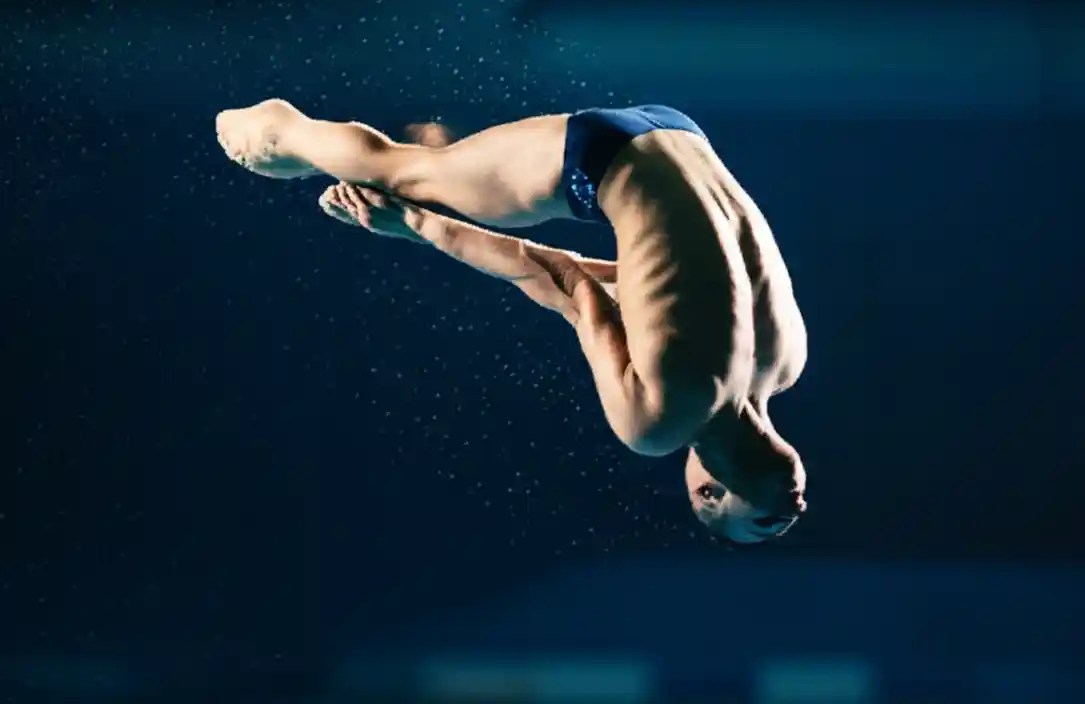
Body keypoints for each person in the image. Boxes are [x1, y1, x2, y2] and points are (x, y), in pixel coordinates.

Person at [215, 99, 809, 543]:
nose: (795, 514)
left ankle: (335, 144)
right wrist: (417, 226)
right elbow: (565, 284)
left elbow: (652, 275)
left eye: (770, 524)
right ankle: (283, 128)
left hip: (680, 137)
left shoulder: (782, 356)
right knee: (402, 174)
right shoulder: (657, 422)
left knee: (436, 174)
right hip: (595, 161)